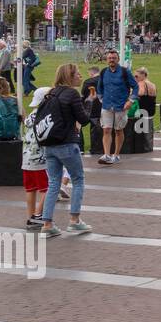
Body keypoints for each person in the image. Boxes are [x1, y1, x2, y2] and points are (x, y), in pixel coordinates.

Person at [38, 63, 93, 237]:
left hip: (49, 144)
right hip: (67, 143)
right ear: (69, 76)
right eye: (77, 74)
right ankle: (74, 220)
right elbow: (83, 119)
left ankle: (47, 224)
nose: (80, 76)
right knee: (78, 179)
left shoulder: (50, 93)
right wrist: (90, 103)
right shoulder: (71, 93)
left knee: (53, 182)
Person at [96, 49, 138, 166]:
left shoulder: (125, 72)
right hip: (107, 105)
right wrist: (101, 99)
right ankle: (107, 155)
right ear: (106, 60)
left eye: (114, 58)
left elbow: (135, 87)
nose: (111, 60)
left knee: (119, 130)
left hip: (121, 106)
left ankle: (116, 154)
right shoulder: (104, 72)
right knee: (106, 129)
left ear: (118, 59)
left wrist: (130, 100)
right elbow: (99, 87)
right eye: (109, 58)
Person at [22, 86, 51, 230]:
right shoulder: (43, 116)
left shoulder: (30, 116)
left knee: (30, 189)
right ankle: (37, 215)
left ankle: (30, 216)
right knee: (49, 187)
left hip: (27, 158)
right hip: (40, 158)